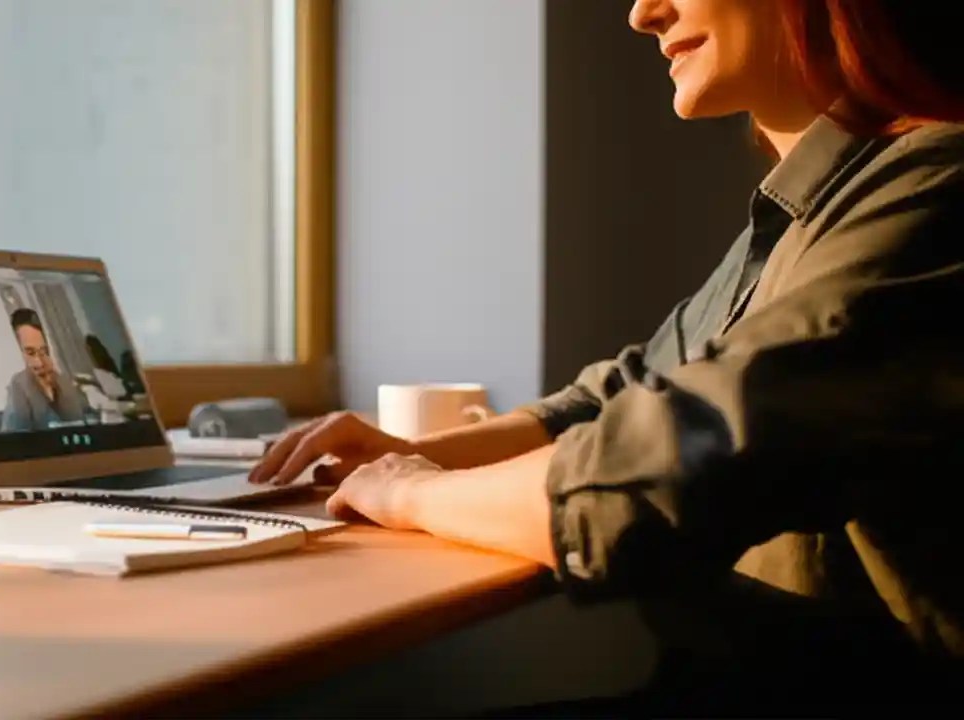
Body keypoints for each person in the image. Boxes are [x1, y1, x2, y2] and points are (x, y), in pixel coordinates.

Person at [251, 0, 964, 710]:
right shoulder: (805, 218)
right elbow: (619, 395)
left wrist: (409, 491)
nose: (643, 13)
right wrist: (416, 454)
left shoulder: (936, 189)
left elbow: (654, 472)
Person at [1, 308, 91, 432]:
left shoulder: (65, 383)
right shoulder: (19, 385)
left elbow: (83, 424)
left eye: (44, 352)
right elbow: (14, 440)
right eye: (30, 353)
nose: (39, 362)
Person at [84, 334, 128, 399]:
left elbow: (101, 364)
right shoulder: (101, 349)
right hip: (112, 373)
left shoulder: (97, 352)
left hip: (108, 373)